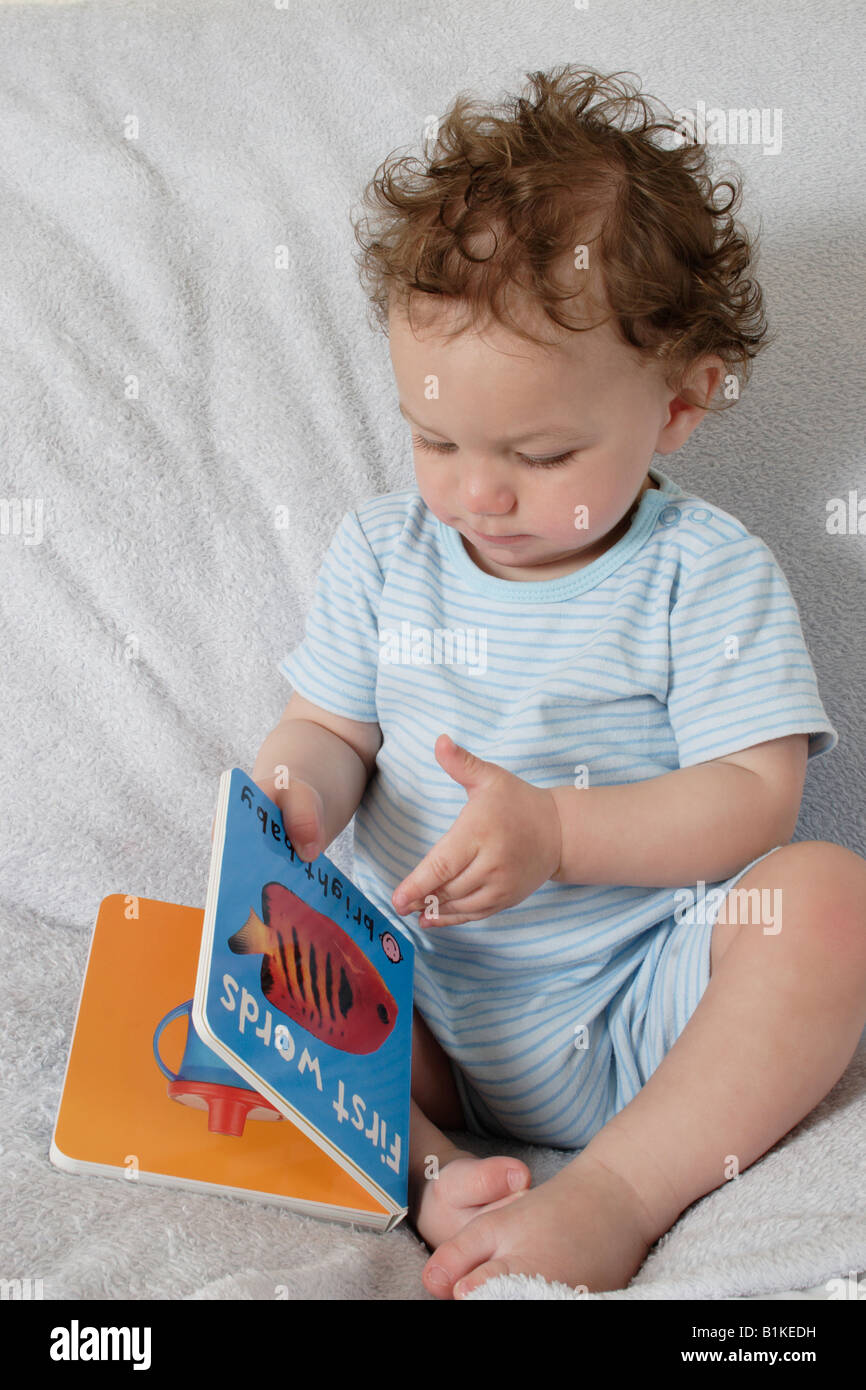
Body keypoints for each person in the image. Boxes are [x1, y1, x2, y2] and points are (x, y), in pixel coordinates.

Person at [253, 66, 866, 1299]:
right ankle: (426, 1168)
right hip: (413, 1008)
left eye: (538, 455)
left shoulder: (702, 572)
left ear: (680, 403)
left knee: (824, 901)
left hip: (645, 1011)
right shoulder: (383, 552)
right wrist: (296, 797)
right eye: (435, 440)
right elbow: (327, 726)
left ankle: (619, 1191)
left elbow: (755, 799)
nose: (478, 494)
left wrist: (560, 829)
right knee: (237, 940)